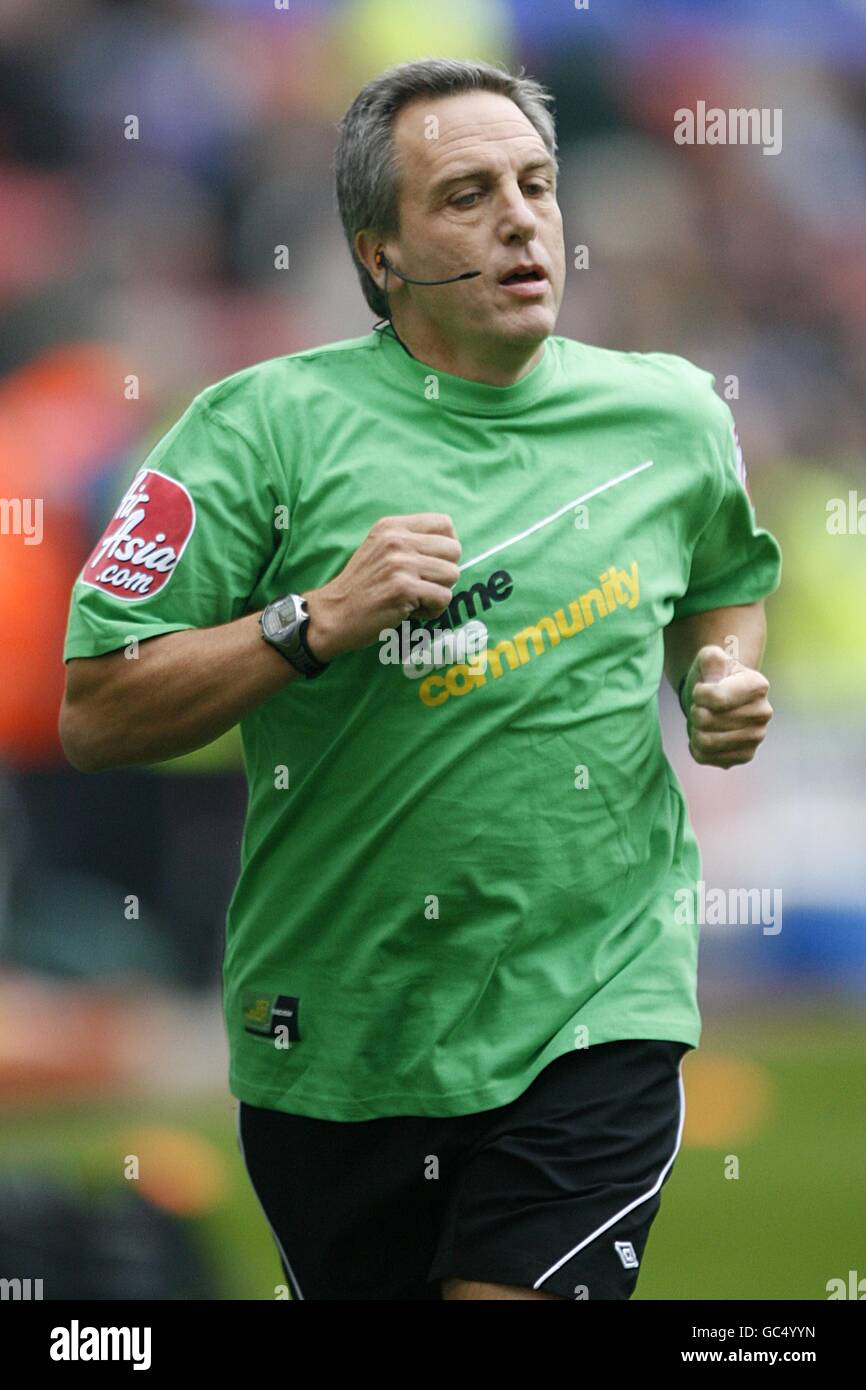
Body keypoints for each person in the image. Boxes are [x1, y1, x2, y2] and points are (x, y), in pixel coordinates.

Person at [59, 58, 781, 1301]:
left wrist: (720, 675)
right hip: (337, 1028)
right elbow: (97, 707)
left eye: (536, 184)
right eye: (465, 194)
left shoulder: (667, 416)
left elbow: (727, 567)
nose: (519, 218)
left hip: (595, 1003)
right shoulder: (254, 430)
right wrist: (310, 621)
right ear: (377, 252)